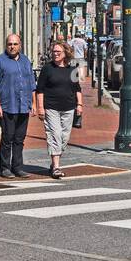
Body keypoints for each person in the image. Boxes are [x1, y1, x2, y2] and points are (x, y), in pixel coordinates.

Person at [0, 32, 35, 177]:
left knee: (19, 139)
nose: (12, 47)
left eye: (15, 44)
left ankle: (18, 167)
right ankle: (5, 168)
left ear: (20, 45)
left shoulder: (26, 61)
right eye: (10, 44)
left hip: (23, 106)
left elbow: (32, 84)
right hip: (8, 106)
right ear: (6, 45)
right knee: (7, 138)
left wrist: (33, 103)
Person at [35, 39, 83, 179]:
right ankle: (56, 166)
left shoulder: (72, 69)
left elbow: (77, 88)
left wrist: (79, 105)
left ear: (65, 53)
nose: (55, 54)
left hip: (69, 108)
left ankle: (54, 162)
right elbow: (40, 89)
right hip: (51, 107)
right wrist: (40, 108)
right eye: (54, 51)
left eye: (58, 52)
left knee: (64, 137)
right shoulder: (47, 69)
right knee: (55, 135)